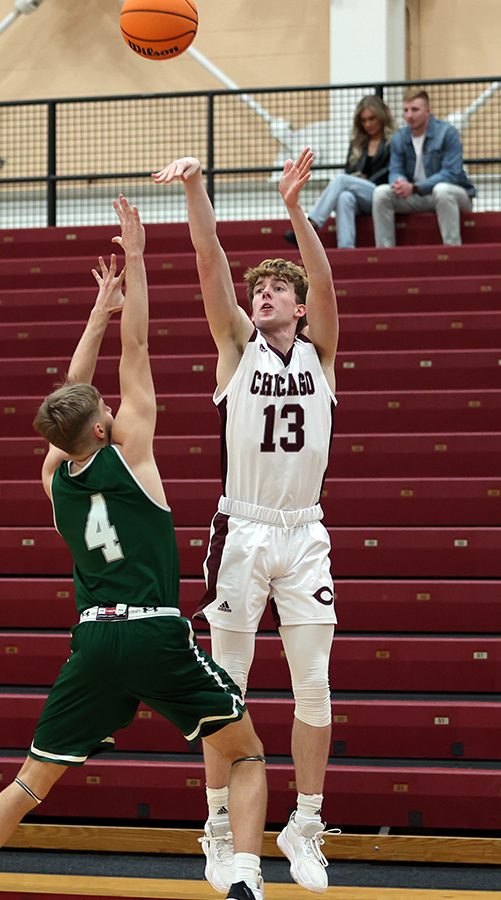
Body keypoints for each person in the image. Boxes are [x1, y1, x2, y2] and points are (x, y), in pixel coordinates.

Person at [0, 197, 270, 900]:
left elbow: (71, 398)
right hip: (152, 633)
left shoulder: (54, 478)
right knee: (245, 755)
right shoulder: (133, 453)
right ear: (106, 427)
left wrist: (94, 315)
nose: (113, 404)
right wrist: (137, 263)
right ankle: (244, 879)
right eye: (106, 407)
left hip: (91, 641)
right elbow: (136, 350)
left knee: (30, 780)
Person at [153, 150, 340, 894]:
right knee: (225, 690)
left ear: (298, 307)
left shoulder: (322, 352)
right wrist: (197, 189)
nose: (263, 294)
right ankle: (221, 824)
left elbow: (324, 280)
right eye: (259, 288)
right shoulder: (236, 348)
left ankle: (306, 824)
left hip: (305, 533)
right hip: (243, 529)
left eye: (276, 289)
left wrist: (296, 208)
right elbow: (210, 262)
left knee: (314, 687)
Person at [284, 95, 394, 249]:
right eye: (363, 120)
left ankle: (311, 224)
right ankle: (346, 249)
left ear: (381, 117)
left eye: (372, 119)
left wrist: (363, 180)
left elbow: (392, 170)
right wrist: (356, 177)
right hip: (360, 197)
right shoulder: (358, 143)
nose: (368, 124)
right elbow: (349, 170)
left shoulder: (393, 141)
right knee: (344, 197)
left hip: (381, 194)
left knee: (341, 180)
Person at [371, 88, 476, 247]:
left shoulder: (447, 133)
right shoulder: (399, 137)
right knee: (381, 193)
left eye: (415, 110)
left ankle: (453, 250)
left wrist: (415, 187)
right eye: (406, 110)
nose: (409, 115)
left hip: (453, 195)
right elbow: (395, 169)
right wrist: (400, 182)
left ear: (428, 111)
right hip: (415, 195)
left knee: (442, 190)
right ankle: (385, 253)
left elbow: (451, 173)